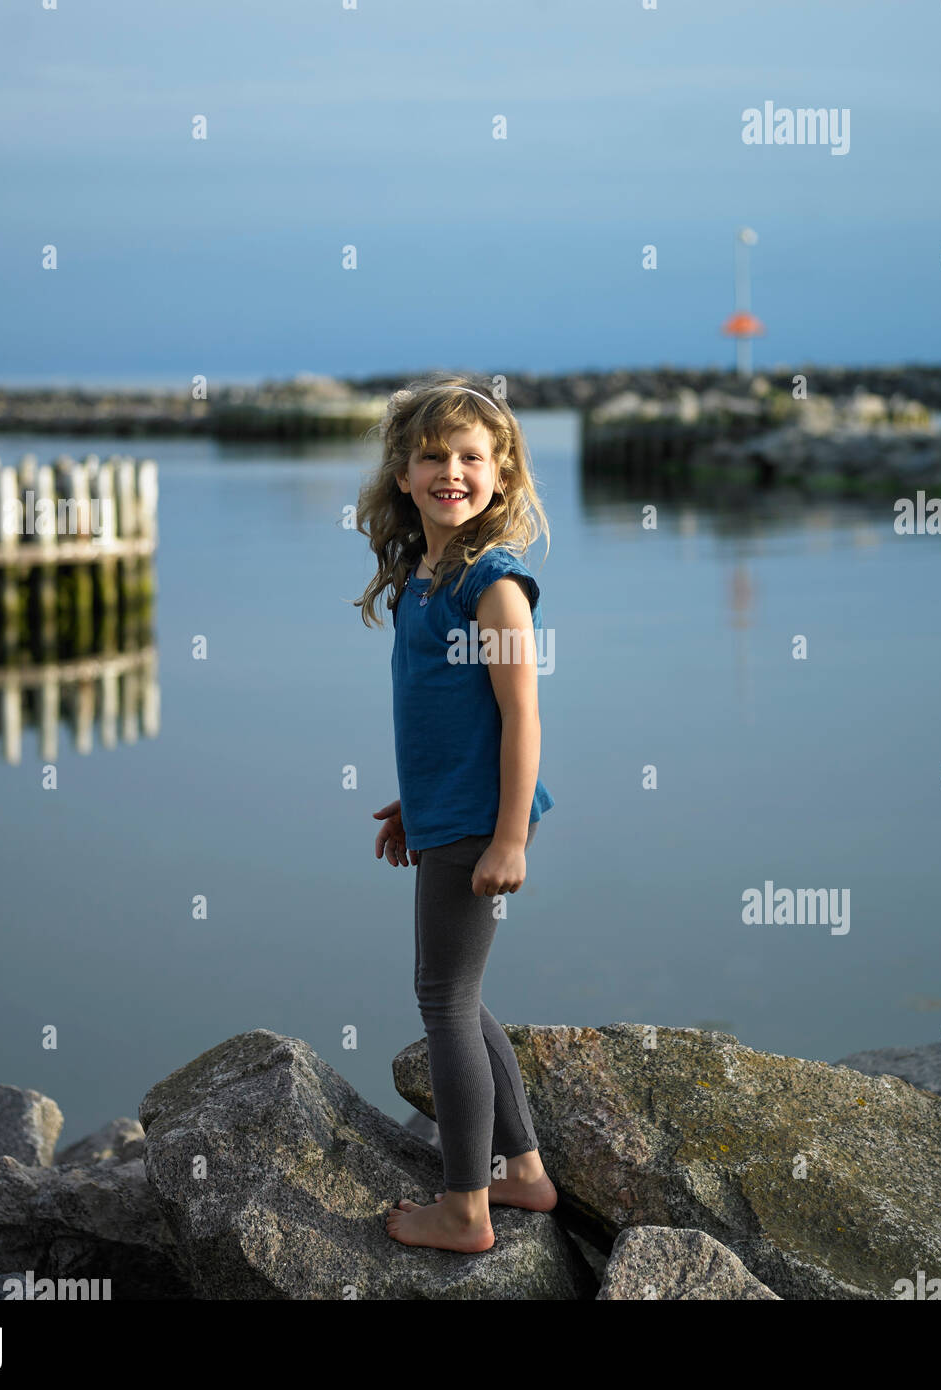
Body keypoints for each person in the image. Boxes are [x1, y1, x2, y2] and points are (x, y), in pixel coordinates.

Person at [353, 373, 556, 1253]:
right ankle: (527, 1173)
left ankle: (467, 1206)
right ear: (402, 472)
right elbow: (446, 716)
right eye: (431, 455)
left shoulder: (493, 586)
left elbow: (521, 718)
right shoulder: (420, 579)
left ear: (501, 475)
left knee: (442, 997)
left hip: (485, 819)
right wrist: (418, 802)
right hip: (450, 810)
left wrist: (509, 834)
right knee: (459, 997)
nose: (450, 471)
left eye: (471, 457)